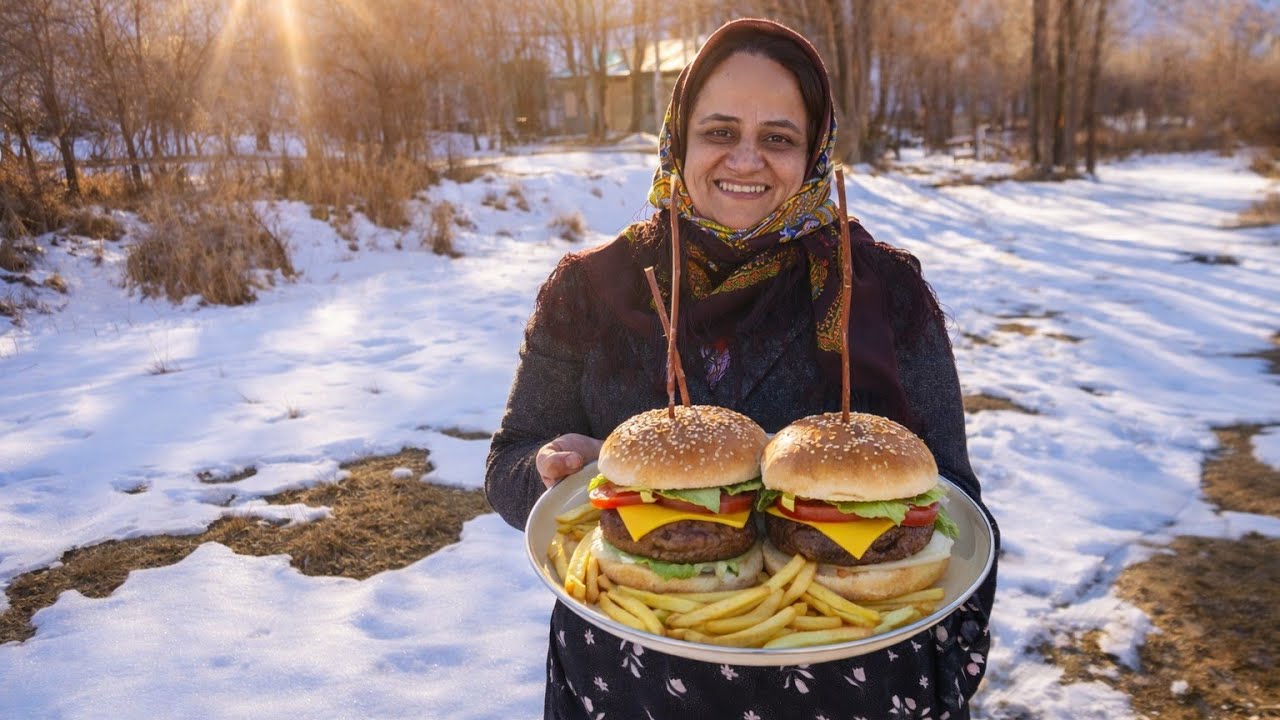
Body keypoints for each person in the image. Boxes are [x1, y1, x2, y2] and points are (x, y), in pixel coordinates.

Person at [486, 17, 998, 720]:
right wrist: (549, 469)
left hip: (852, 671)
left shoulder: (887, 292)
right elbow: (509, 465)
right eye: (720, 131)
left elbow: (952, 497)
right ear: (679, 139)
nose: (746, 160)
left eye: (779, 138)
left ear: (815, 152)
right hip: (630, 670)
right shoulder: (589, 290)